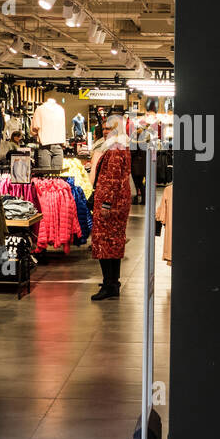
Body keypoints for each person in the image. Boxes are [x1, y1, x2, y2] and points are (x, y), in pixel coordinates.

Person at [89, 114, 133, 300]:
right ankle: (112, 282)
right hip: (116, 202)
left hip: (110, 204)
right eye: (105, 128)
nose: (105, 131)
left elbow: (113, 179)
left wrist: (106, 203)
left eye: (109, 129)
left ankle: (109, 284)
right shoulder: (121, 146)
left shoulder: (115, 149)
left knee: (105, 243)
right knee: (114, 242)